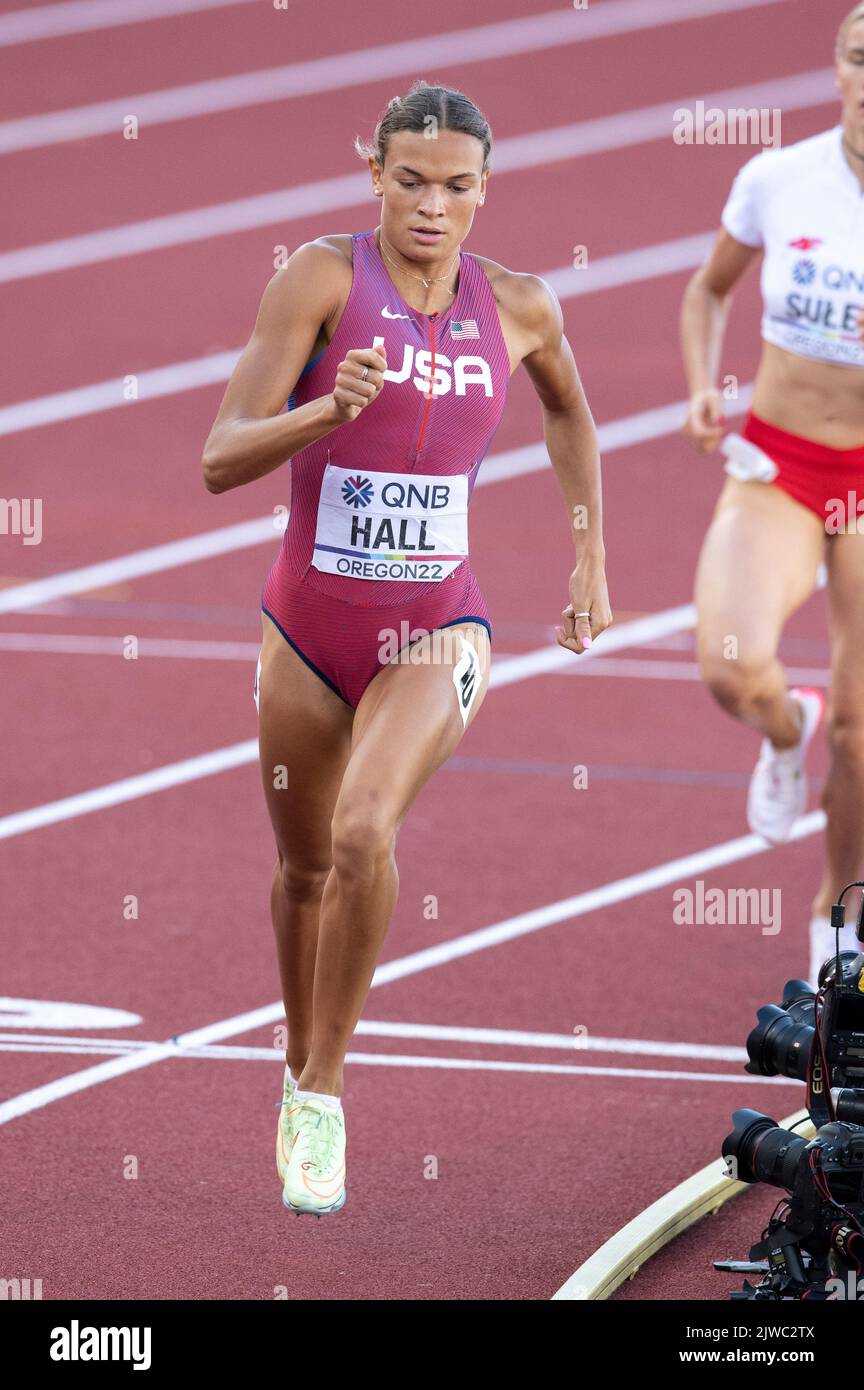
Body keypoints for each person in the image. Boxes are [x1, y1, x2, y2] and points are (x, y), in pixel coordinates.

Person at [201, 81, 611, 1215]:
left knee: (363, 824)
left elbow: (572, 413)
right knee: (302, 869)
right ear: (372, 172)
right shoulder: (323, 280)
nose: (433, 206)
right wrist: (323, 411)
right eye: (412, 181)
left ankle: (324, 1094)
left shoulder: (520, 305)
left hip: (437, 627)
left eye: (458, 186)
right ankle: (295, 1068)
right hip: (307, 627)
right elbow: (220, 456)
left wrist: (590, 558)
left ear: (488, 188)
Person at [680, 3, 864, 985]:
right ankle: (782, 726)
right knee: (729, 666)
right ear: (837, 67)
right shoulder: (779, 178)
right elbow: (707, 289)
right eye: (861, 58)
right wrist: (704, 383)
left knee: (863, 725)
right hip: (783, 464)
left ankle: (839, 926)